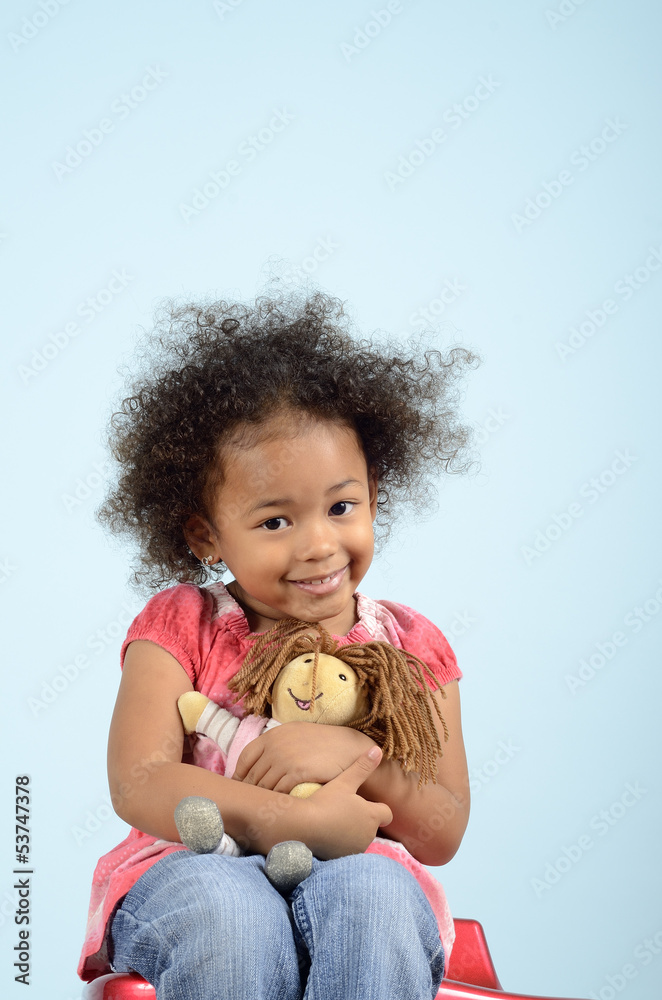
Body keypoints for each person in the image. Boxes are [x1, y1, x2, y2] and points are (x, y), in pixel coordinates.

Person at [77, 289, 477, 999]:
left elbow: (441, 829)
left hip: (359, 874)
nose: (318, 543)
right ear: (205, 534)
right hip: (195, 870)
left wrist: (360, 762)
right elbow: (138, 782)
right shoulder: (181, 625)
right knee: (234, 916)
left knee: (375, 897)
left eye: (340, 507)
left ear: (374, 494)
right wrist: (290, 817)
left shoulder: (411, 646)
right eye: (274, 522)